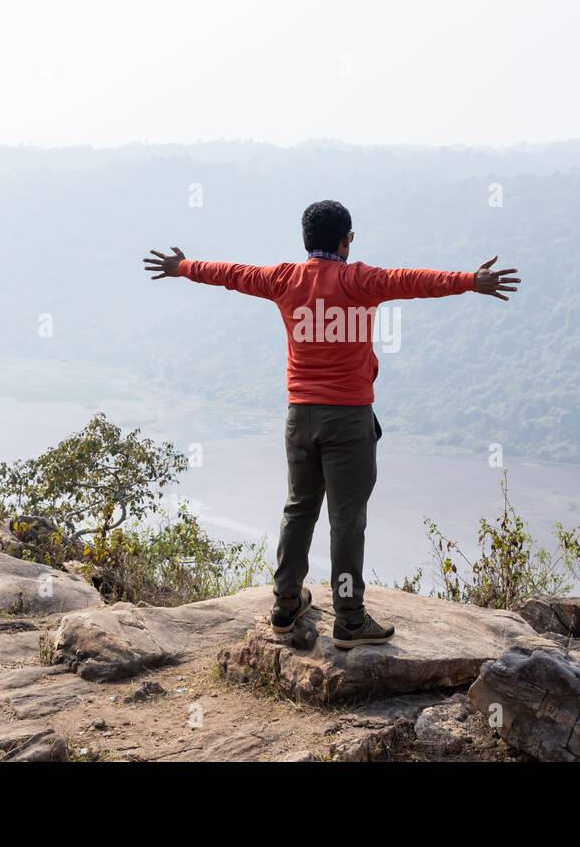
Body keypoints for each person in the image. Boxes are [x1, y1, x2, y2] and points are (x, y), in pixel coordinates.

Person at [144, 200, 520, 648]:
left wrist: (184, 265)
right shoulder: (360, 280)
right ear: (347, 240)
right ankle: (349, 619)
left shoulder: (283, 279)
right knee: (346, 519)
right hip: (348, 419)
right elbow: (414, 282)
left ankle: (285, 605)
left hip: (299, 416)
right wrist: (469, 282)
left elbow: (231, 274)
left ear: (306, 241)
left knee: (298, 508)